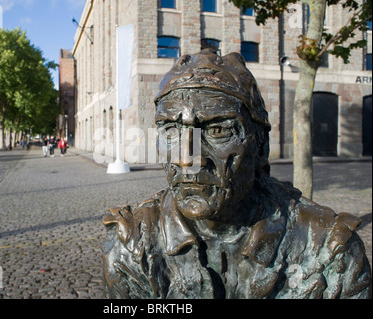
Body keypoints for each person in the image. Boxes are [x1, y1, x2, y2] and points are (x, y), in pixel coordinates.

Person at [102, 49, 371, 299]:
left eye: (218, 131)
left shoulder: (331, 252)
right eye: (171, 131)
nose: (188, 160)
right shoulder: (132, 247)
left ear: (260, 145)